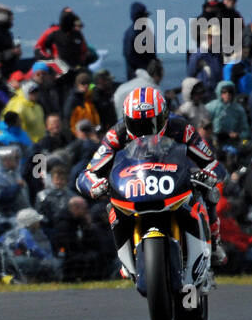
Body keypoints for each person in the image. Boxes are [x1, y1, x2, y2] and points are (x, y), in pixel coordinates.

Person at [77, 86, 228, 264]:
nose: (144, 131)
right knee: (112, 207)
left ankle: (214, 242)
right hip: (135, 184)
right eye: (137, 124)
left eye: (151, 124)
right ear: (126, 120)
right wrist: (95, 185)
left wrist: (207, 174)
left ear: (164, 116)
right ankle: (126, 259)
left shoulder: (181, 128)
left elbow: (212, 163)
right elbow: (87, 173)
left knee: (209, 192)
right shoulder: (116, 134)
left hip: (175, 180)